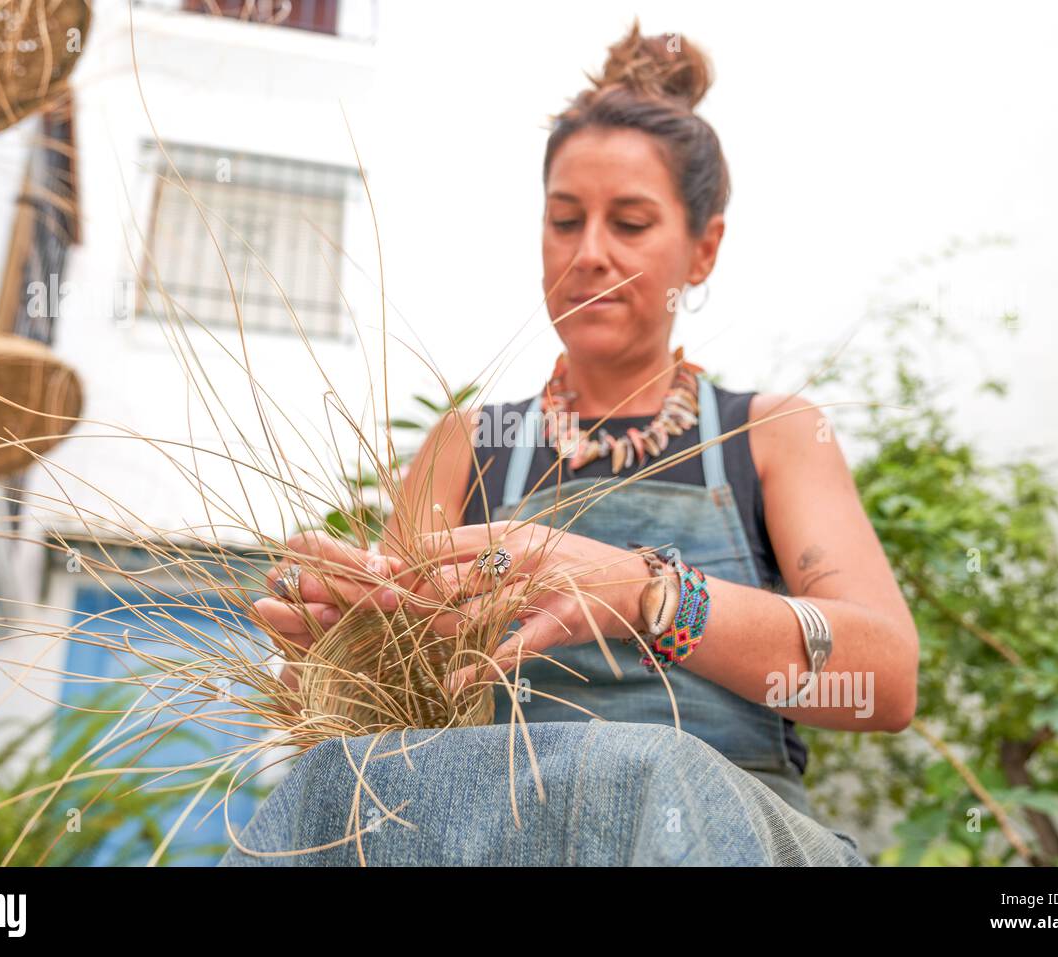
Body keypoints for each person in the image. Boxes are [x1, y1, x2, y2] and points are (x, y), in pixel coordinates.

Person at [225, 21, 917, 867]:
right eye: (564, 220)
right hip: (510, 835)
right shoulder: (467, 446)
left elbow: (884, 680)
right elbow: (398, 721)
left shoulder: (767, 436)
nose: (589, 254)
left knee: (646, 770)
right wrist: (341, 656)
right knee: (329, 785)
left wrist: (638, 590)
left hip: (727, 831)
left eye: (630, 223)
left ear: (703, 250)